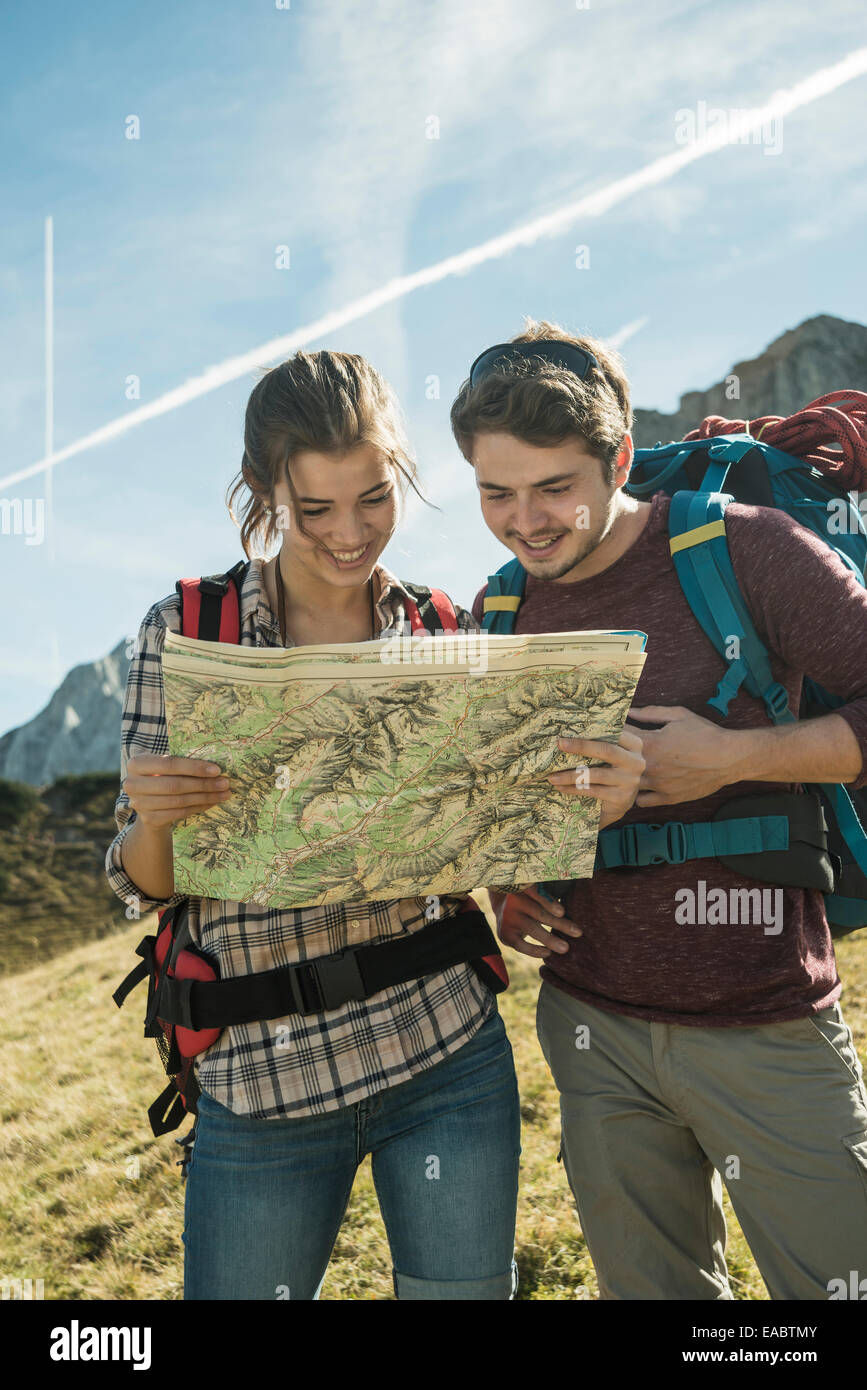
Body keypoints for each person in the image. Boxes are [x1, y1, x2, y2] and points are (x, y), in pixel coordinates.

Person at [105, 348, 644, 1301]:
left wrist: (521, 876)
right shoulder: (188, 629)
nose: (350, 534)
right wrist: (153, 819)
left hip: (441, 1055)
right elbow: (140, 881)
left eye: (374, 498)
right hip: (262, 1082)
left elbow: (474, 833)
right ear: (262, 491)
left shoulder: (440, 629)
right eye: (314, 510)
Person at [452, 318, 867, 1300]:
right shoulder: (499, 614)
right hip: (593, 1037)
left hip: (769, 1022)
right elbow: (495, 799)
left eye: (555, 487)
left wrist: (729, 759)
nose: (526, 521)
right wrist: (511, 890)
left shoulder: (746, 551)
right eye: (494, 492)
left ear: (620, 460)